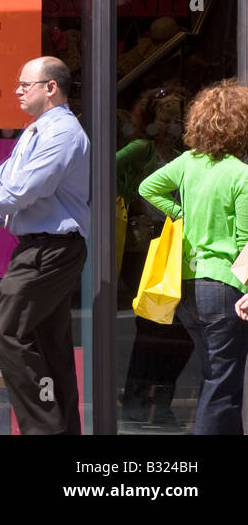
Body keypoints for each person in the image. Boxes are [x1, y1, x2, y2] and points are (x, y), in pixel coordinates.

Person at [0, 56, 89, 435]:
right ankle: (63, 428)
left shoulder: (63, 134)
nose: (18, 91)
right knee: (49, 343)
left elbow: (26, 188)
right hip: (39, 247)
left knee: (7, 333)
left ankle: (44, 429)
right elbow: (4, 182)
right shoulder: (35, 132)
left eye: (26, 84)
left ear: (51, 88)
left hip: (52, 248)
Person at [137, 80, 248, 434]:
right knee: (222, 386)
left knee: (214, 377)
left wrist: (181, 215)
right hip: (224, 287)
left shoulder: (188, 162)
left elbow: (147, 187)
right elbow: (246, 240)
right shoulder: (240, 174)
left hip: (186, 286)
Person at [115, 87, 192, 424]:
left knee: (176, 330)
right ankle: (135, 400)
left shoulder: (182, 153)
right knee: (150, 324)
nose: (170, 125)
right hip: (144, 245)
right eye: (165, 117)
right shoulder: (139, 149)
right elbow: (107, 174)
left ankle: (160, 400)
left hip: (173, 243)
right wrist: (133, 199)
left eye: (177, 119)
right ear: (150, 119)